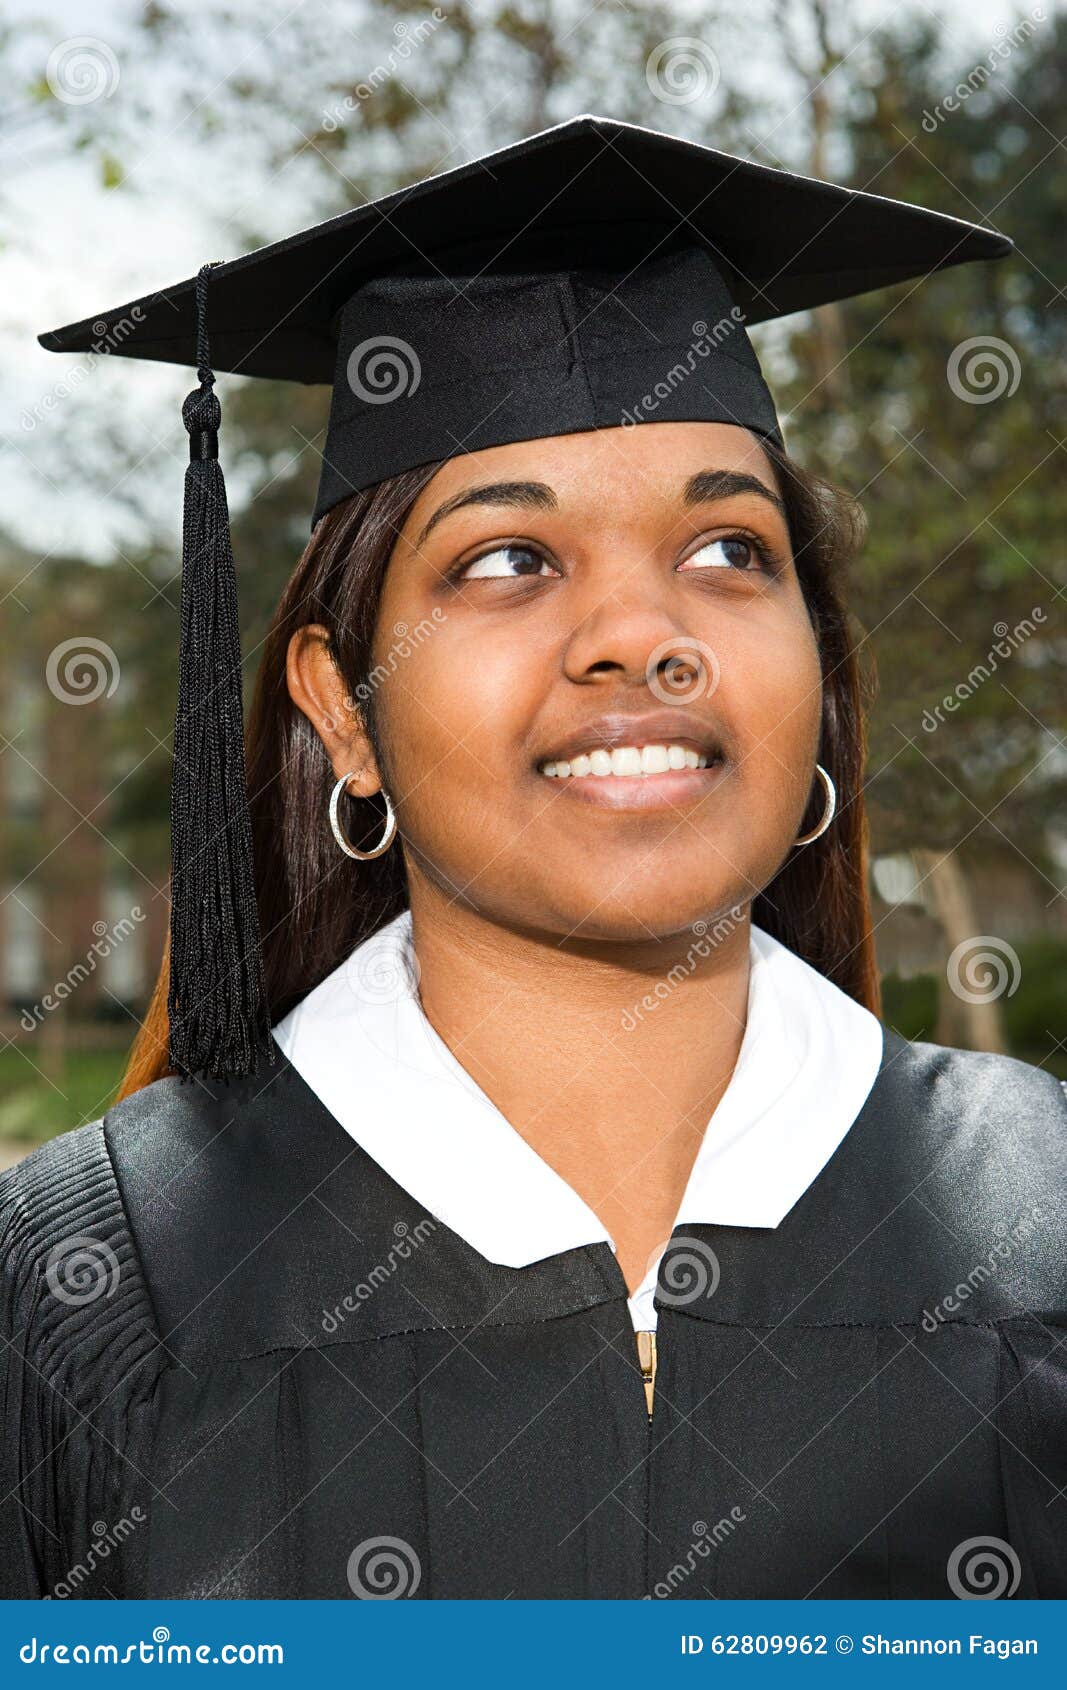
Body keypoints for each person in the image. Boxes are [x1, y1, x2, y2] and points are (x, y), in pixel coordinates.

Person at [3, 114, 1064, 1601]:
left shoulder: (1042, 1221)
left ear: (818, 669)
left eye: (729, 553)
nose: (643, 633)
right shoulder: (94, 1280)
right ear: (341, 711)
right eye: (507, 561)